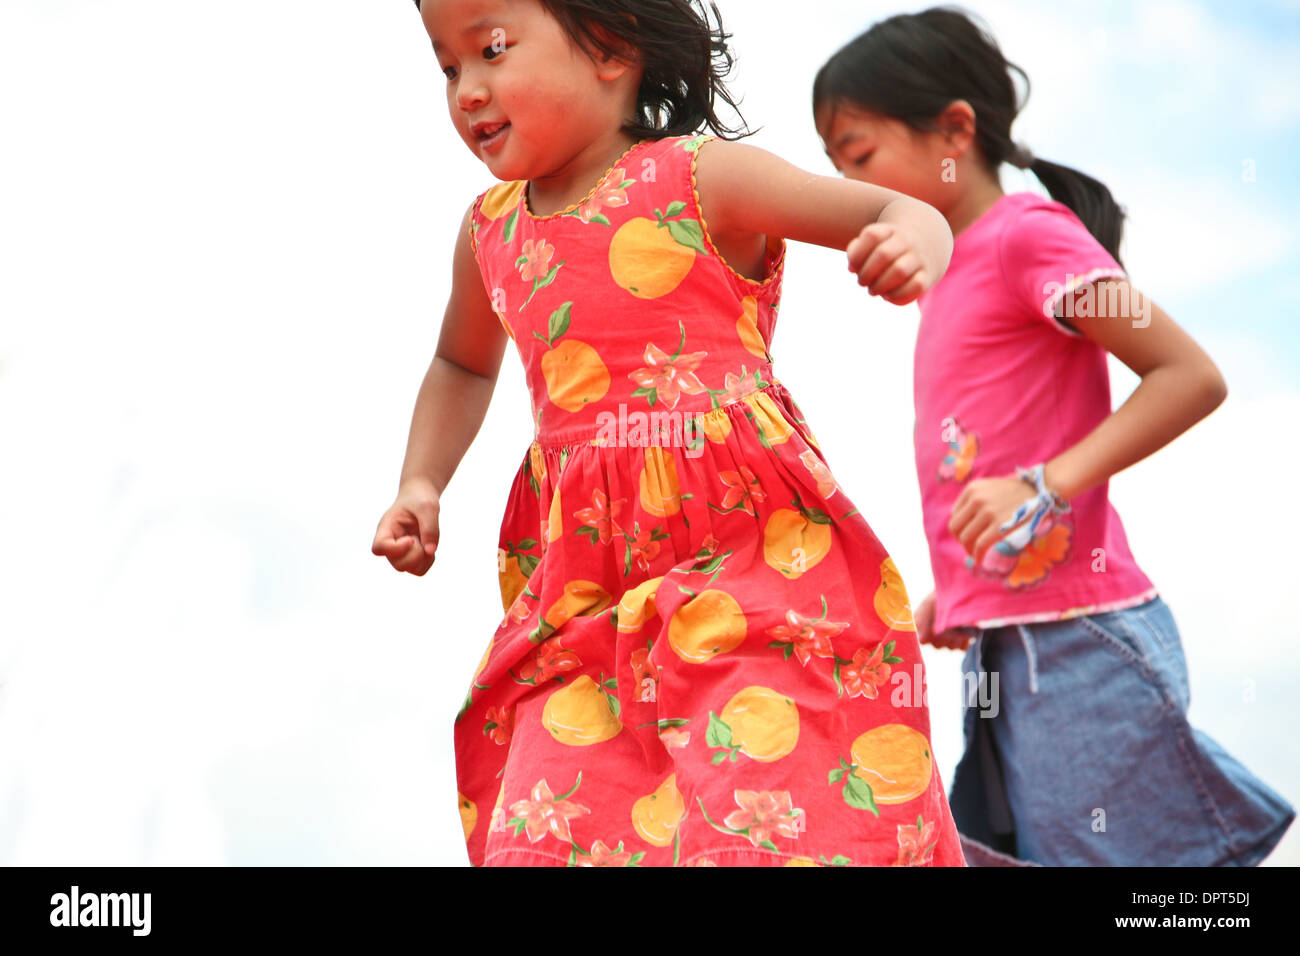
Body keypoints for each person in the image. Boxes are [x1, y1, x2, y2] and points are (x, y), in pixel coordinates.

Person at [373, 0, 968, 867]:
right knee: (552, 831)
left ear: (611, 47)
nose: (468, 89)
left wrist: (909, 242)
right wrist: (421, 481)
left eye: (492, 49)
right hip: (579, 599)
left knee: (757, 821)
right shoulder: (489, 232)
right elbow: (462, 366)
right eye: (446, 66)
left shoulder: (698, 178)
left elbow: (900, 209)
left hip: (748, 569)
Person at [814, 5, 1295, 866]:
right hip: (1009, 642)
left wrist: (1044, 485)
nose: (855, 190)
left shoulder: (1028, 239)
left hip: (1080, 639)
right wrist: (963, 587)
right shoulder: (948, 276)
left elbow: (1188, 374)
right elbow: (988, 448)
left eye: (860, 158)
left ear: (954, 128)